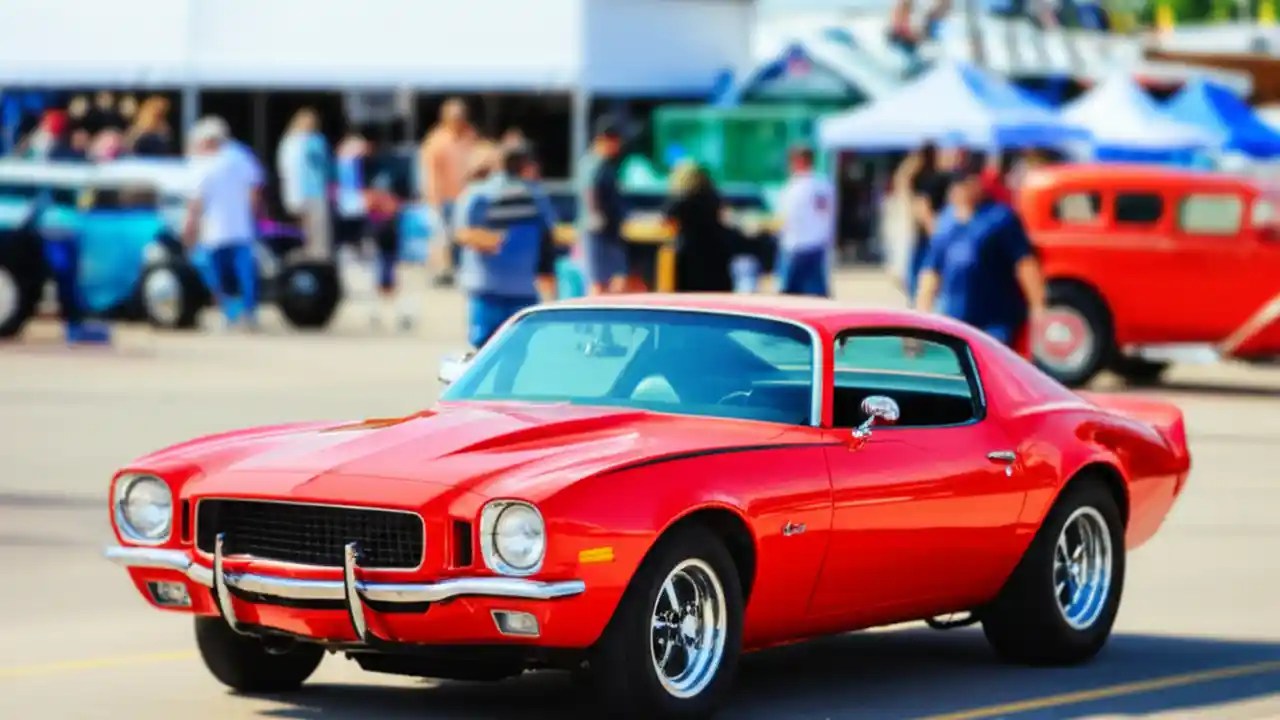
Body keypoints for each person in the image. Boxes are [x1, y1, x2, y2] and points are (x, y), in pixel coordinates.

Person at [913, 159, 1047, 356]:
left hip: (995, 324)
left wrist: (1039, 308)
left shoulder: (1001, 218)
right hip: (954, 321)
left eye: (967, 183)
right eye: (957, 185)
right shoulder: (946, 222)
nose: (961, 189)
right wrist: (920, 317)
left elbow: (1025, 264)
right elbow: (931, 272)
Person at [453, 143, 558, 348]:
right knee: (520, 351)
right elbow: (548, 240)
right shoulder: (536, 196)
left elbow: (462, 234)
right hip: (523, 290)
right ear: (526, 166)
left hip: (485, 288)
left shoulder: (476, 195)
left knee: (482, 352)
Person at [183, 116, 262, 331]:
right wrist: (253, 216)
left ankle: (231, 313)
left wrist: (189, 228)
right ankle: (248, 313)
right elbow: (255, 189)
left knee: (219, 277)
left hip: (214, 231)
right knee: (244, 275)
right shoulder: (240, 156)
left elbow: (195, 202)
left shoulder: (202, 164)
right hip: (239, 228)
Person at [419, 98, 477, 287]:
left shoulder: (471, 137)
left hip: (465, 197)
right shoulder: (436, 140)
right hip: (443, 198)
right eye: (454, 115)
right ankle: (440, 273)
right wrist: (433, 200)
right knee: (440, 237)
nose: (458, 119)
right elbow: (430, 173)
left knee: (462, 236)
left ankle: (460, 271)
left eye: (461, 115)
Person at [662, 160, 732, 293]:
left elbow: (665, 218)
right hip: (716, 254)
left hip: (690, 256)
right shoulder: (714, 198)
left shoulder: (681, 201)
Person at [775, 145, 836, 297]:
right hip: (817, 245)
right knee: (817, 294)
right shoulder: (823, 184)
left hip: (795, 246)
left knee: (789, 294)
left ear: (798, 161)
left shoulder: (794, 187)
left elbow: (785, 219)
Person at [581, 116, 628, 295]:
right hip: (597, 232)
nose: (618, 145)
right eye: (615, 141)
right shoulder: (593, 163)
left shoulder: (608, 164)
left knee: (617, 279)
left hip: (611, 230)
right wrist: (595, 215)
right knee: (598, 283)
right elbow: (589, 190)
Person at [276, 107, 331, 259]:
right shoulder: (315, 141)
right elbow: (324, 164)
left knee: (305, 226)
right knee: (318, 229)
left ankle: (308, 251)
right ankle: (318, 256)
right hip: (315, 190)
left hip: (296, 191)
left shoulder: (289, 142)